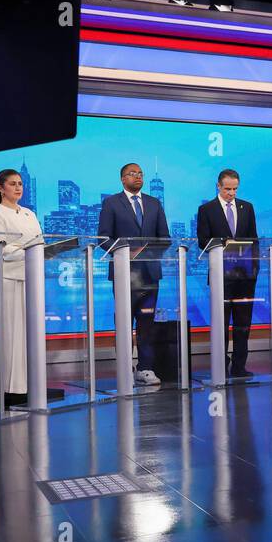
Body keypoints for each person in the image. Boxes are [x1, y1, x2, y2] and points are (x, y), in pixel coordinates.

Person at [97, 162, 169, 386]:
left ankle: (145, 369)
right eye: (132, 173)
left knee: (146, 323)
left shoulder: (154, 203)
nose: (137, 177)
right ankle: (124, 367)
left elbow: (165, 238)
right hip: (124, 272)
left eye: (140, 174)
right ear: (122, 179)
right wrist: (126, 252)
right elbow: (103, 238)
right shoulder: (111, 203)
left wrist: (147, 251)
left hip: (150, 274)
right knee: (124, 322)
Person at [0, 168, 43, 404]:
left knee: (27, 333)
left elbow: (39, 241)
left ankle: (26, 384)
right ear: (0, 188)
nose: (18, 187)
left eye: (20, 183)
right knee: (8, 333)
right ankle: (6, 388)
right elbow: (0, 247)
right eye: (13, 184)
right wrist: (27, 251)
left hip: (29, 276)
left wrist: (34, 252)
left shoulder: (29, 213)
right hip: (4, 277)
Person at [196, 168, 260, 378]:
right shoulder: (206, 210)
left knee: (243, 323)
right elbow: (203, 242)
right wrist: (224, 245)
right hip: (220, 275)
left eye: (235, 189)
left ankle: (240, 366)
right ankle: (221, 364)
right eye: (227, 189)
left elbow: (254, 239)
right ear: (218, 186)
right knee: (221, 322)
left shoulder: (247, 208)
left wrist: (255, 268)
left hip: (245, 276)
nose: (231, 193)